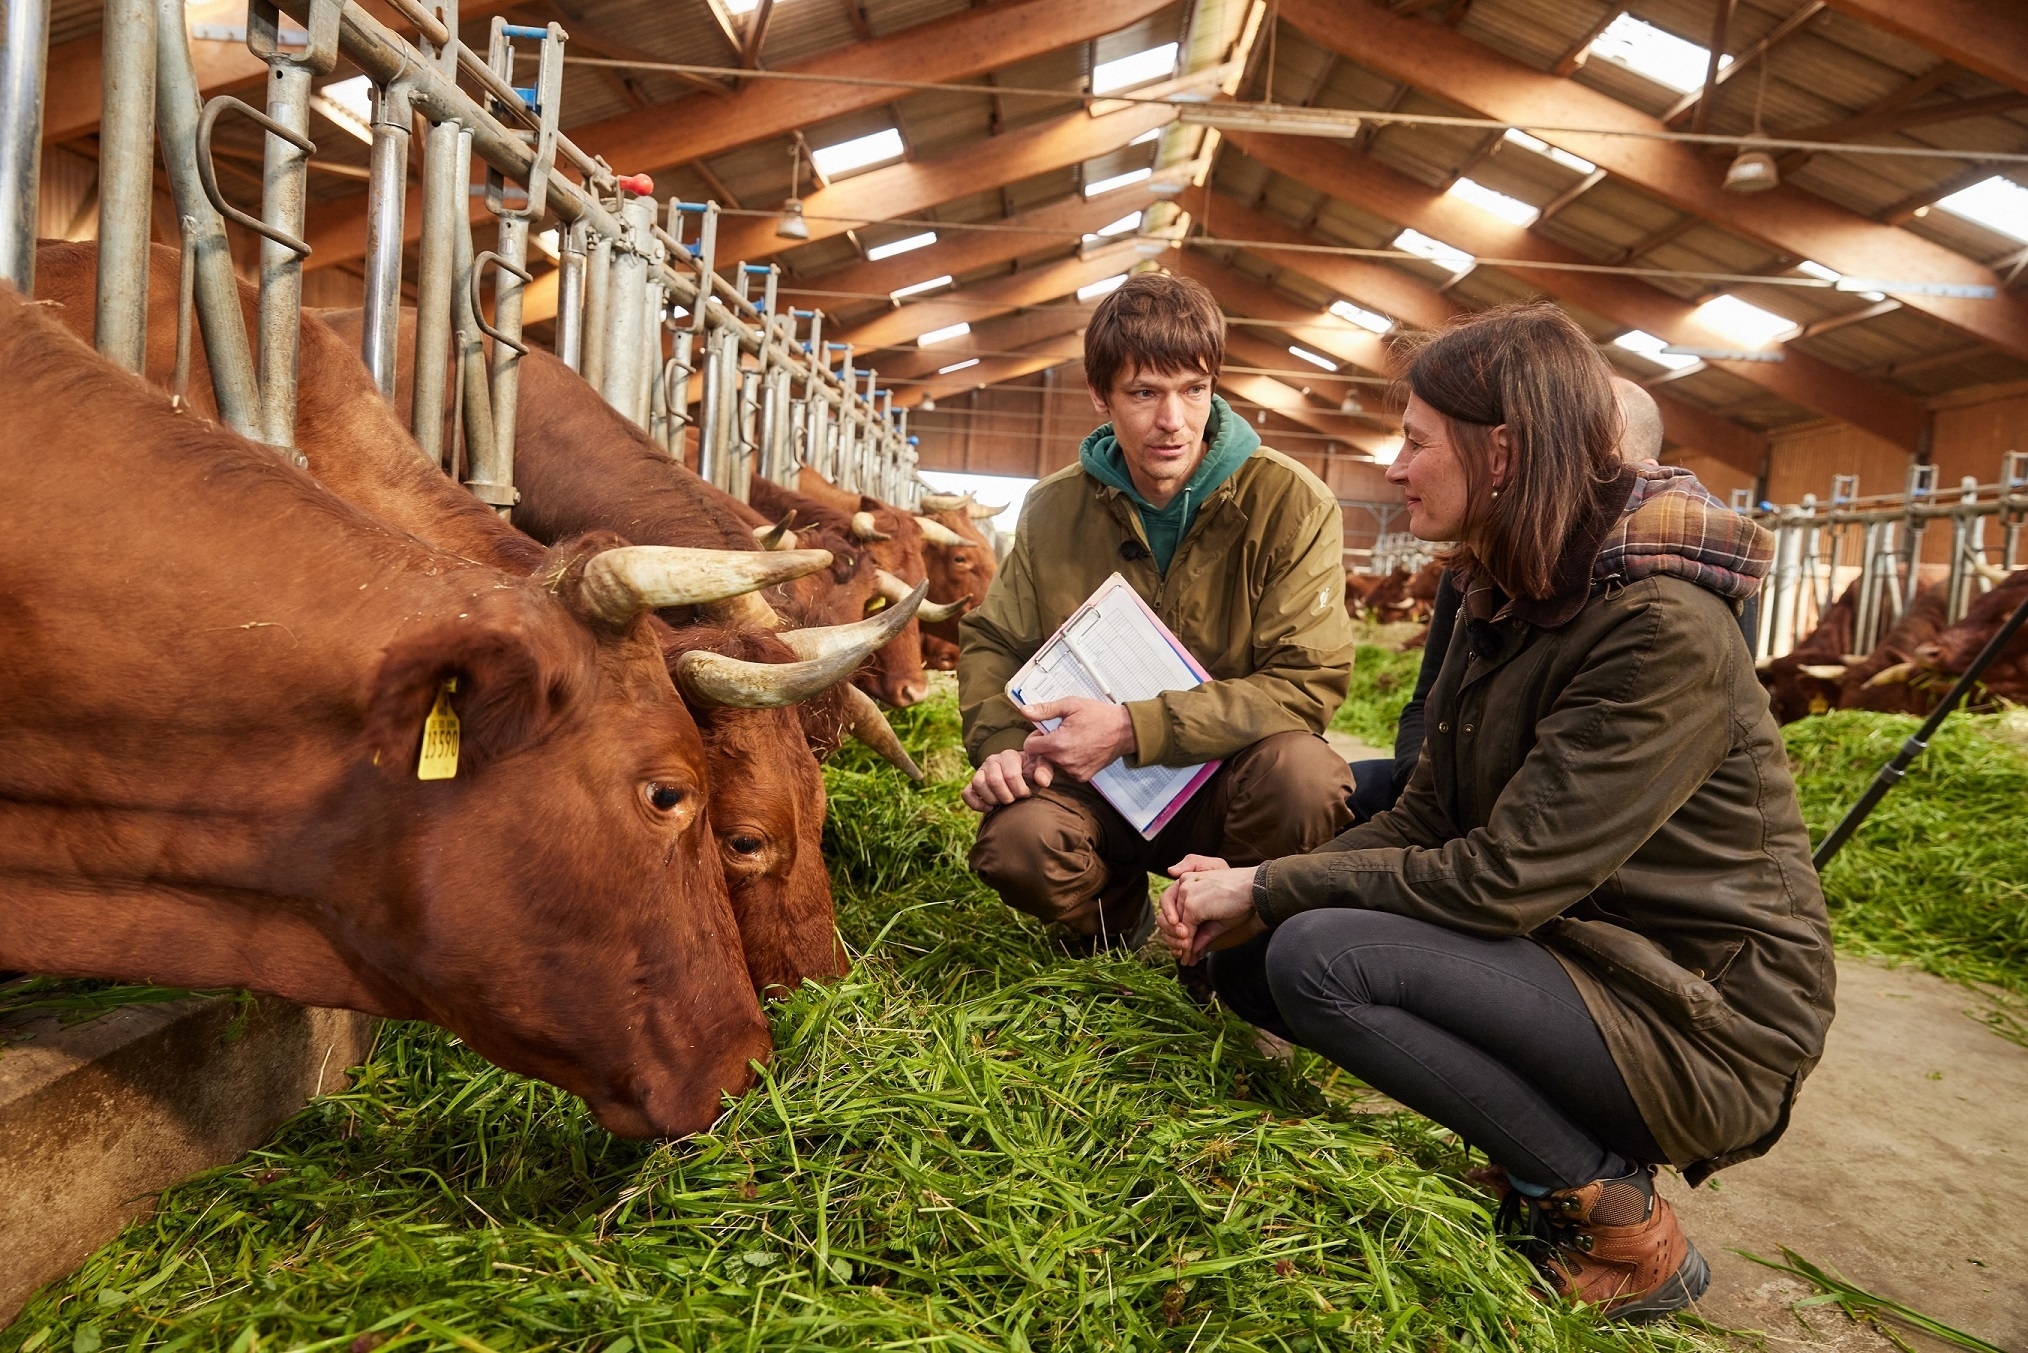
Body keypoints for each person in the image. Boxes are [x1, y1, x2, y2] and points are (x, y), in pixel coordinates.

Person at [1155, 304, 1835, 1321]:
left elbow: (1503, 875)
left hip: (1703, 1017)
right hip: (1587, 955)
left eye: (1416, 441)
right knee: (1258, 953)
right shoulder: (1508, 590)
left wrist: (1266, 883)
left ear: (1503, 453)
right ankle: (1532, 1164)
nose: (1394, 466)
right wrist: (1255, 900)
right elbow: (1426, 816)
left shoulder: (1656, 626)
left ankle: (1620, 1223)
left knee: (1320, 959)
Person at [957, 271, 1358, 949]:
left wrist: (1132, 727)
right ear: (1100, 395)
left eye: (1192, 390)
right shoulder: (1055, 507)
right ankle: (1111, 926)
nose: (1173, 421)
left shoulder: (1291, 503)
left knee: (1306, 779)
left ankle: (1226, 955)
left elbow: (1304, 683)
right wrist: (1000, 746)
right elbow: (993, 641)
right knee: (1017, 843)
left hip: (1224, 784)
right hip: (1090, 783)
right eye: (1144, 393)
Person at [1347, 376, 1667, 821]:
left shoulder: (1657, 602)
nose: (1567, 479)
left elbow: (1561, 818)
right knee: (1345, 790)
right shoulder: (1476, 568)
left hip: (1560, 819)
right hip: (1470, 793)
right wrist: (1421, 791)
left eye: (1601, 464)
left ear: (1645, 468)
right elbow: (1427, 702)